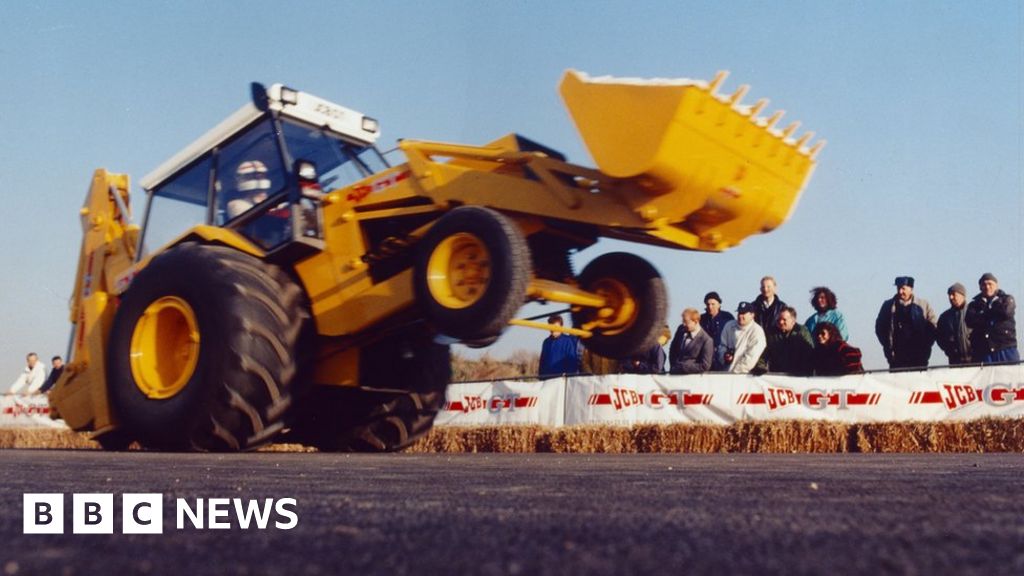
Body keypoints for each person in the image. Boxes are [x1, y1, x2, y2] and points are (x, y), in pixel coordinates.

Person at [874, 276, 936, 369]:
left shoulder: (924, 305)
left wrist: (925, 348)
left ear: (911, 289)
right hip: (897, 359)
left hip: (919, 358)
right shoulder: (888, 306)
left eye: (903, 288)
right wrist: (887, 347)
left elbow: (933, 327)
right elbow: (879, 328)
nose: (900, 292)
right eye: (898, 288)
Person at [965, 273, 1019, 364]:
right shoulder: (974, 305)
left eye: (990, 284)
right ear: (980, 287)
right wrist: (993, 312)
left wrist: (984, 313)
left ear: (996, 285)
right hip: (983, 351)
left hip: (1006, 348)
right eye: (984, 284)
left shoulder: (1007, 299)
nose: (987, 287)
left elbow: (1006, 312)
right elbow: (970, 321)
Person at [757, 307, 814, 376]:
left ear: (793, 321)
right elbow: (763, 354)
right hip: (777, 375)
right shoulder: (771, 334)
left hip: (798, 376)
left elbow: (809, 355)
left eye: (784, 320)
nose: (781, 322)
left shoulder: (802, 332)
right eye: (779, 319)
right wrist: (760, 367)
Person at [719, 302, 767, 374]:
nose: (740, 316)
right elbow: (722, 346)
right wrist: (724, 356)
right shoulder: (729, 326)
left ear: (752, 315)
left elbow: (751, 357)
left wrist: (735, 372)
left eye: (743, 313)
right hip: (725, 373)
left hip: (745, 376)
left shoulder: (757, 331)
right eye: (739, 313)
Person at [936, 283, 972, 365]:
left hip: (975, 360)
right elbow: (939, 337)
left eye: (953, 294)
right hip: (955, 361)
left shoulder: (973, 312)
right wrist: (949, 350)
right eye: (949, 295)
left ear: (962, 295)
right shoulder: (944, 317)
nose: (951, 297)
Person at [669, 310, 714, 374]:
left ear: (695, 322)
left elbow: (705, 366)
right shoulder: (681, 329)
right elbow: (673, 349)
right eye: (683, 321)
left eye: (686, 322)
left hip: (693, 380)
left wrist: (682, 367)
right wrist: (673, 366)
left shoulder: (706, 340)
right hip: (674, 376)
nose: (684, 324)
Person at [699, 292, 734, 371]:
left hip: (723, 358)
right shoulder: (701, 319)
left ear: (719, 304)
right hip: (705, 358)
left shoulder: (727, 317)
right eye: (708, 304)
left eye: (713, 304)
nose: (710, 307)